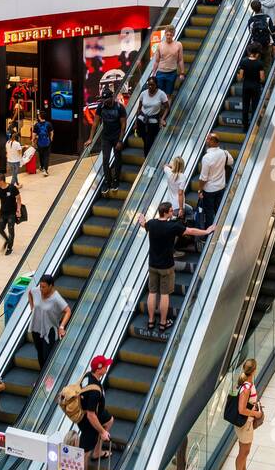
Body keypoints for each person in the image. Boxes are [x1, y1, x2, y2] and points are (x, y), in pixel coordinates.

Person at [136, 200, 214, 333]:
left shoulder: (152, 224)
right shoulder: (172, 226)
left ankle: (150, 322)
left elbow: (144, 224)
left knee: (152, 293)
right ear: (166, 213)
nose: (174, 212)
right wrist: (206, 231)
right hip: (166, 266)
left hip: (152, 264)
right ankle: (162, 323)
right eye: (171, 210)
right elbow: (190, 230)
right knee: (165, 294)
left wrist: (141, 219)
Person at [231, 357, 263, 470]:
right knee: (244, 452)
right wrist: (256, 414)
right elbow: (241, 409)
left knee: (243, 450)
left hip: (246, 424)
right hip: (245, 425)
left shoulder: (247, 383)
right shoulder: (247, 387)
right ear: (254, 370)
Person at [76, 354, 115, 461]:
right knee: (85, 453)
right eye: (105, 366)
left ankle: (97, 452)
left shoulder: (88, 375)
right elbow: (90, 415)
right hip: (88, 421)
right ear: (99, 369)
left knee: (109, 420)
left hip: (95, 411)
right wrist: (102, 432)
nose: (107, 367)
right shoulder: (94, 392)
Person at [28, 274, 71, 367]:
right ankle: (41, 377)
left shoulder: (56, 298)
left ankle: (47, 377)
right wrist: (32, 308)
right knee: (40, 352)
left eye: (43, 287)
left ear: (50, 286)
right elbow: (30, 293)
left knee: (47, 356)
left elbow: (68, 311)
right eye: (40, 286)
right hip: (36, 328)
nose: (41, 289)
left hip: (49, 330)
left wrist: (62, 327)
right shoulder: (36, 291)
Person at [199, 132, 234, 227]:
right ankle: (221, 227)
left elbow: (203, 178)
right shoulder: (224, 153)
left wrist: (200, 189)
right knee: (219, 209)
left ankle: (209, 232)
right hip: (221, 187)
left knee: (209, 212)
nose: (206, 140)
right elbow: (231, 161)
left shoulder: (207, 157)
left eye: (208, 139)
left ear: (213, 142)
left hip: (209, 190)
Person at [97, 84, 127, 192]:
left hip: (116, 137)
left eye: (106, 99)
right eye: (103, 99)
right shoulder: (101, 106)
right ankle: (107, 181)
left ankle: (116, 180)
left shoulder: (119, 107)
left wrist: (120, 140)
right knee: (105, 159)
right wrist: (90, 138)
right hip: (106, 137)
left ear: (112, 97)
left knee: (117, 158)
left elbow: (123, 125)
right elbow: (95, 123)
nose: (104, 101)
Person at [133, 76, 170, 156]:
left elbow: (167, 107)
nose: (150, 86)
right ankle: (147, 158)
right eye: (149, 84)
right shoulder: (143, 93)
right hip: (141, 121)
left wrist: (162, 119)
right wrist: (136, 123)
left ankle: (147, 159)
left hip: (153, 122)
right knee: (145, 141)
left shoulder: (161, 94)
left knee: (149, 142)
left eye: (152, 85)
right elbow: (139, 108)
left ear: (156, 85)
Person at [150, 27, 185, 98]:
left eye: (171, 35)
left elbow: (180, 59)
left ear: (173, 35)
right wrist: (153, 73)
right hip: (160, 72)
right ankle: (159, 108)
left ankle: (167, 108)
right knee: (159, 94)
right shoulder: (160, 45)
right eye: (167, 35)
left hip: (172, 73)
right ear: (165, 34)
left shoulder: (178, 45)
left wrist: (182, 73)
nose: (169, 36)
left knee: (168, 94)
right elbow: (157, 61)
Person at [0, 172, 22, 256]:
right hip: (2, 213)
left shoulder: (12, 188)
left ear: (1, 181)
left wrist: (18, 209)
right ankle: (7, 240)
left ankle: (9, 247)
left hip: (11, 213)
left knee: (11, 230)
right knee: (0, 229)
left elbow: (18, 198)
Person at [237, 44, 265, 129]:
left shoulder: (244, 61)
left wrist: (239, 75)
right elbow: (262, 78)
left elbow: (240, 77)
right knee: (254, 106)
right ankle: (253, 125)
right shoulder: (260, 63)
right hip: (256, 87)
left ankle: (245, 125)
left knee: (245, 106)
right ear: (257, 53)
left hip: (246, 87)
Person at [33, 112, 53, 176]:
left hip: (40, 142)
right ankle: (45, 170)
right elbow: (52, 132)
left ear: (40, 117)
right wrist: (51, 139)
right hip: (47, 142)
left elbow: (34, 134)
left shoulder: (36, 125)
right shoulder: (48, 124)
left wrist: (33, 140)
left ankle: (41, 167)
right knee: (46, 156)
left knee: (41, 155)